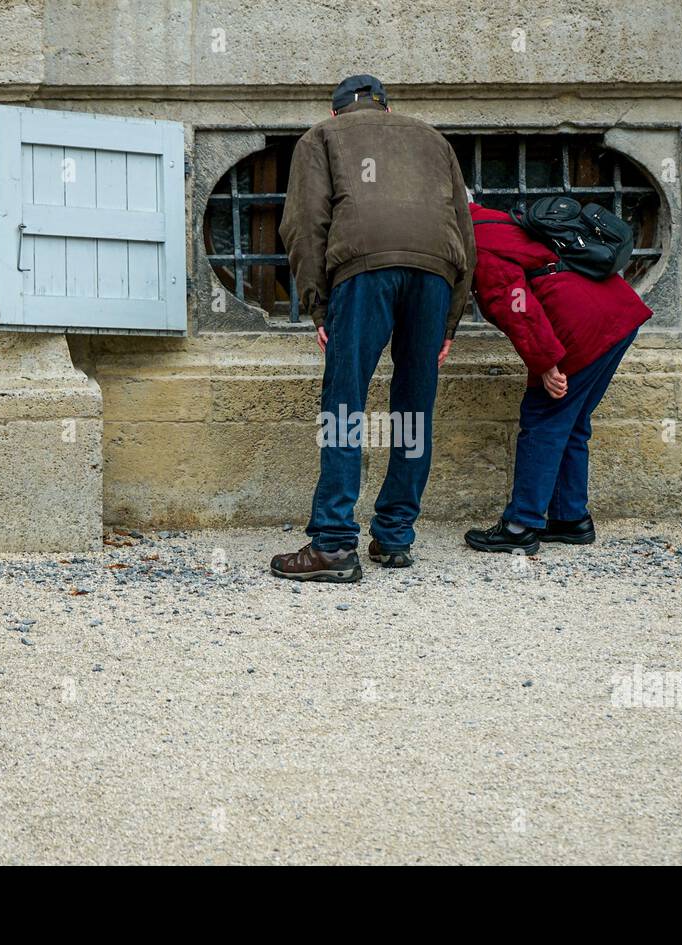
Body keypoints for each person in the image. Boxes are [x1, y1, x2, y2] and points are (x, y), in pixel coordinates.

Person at [270, 75, 475, 583]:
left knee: (344, 404)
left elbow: (304, 224)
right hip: (435, 271)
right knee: (413, 404)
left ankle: (335, 545)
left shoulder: (321, 136)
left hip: (364, 267)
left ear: (337, 111)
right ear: (385, 108)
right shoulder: (432, 138)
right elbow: (464, 229)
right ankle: (396, 536)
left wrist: (319, 307)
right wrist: (452, 318)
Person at [463, 193, 652, 554]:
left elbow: (515, 306)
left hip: (581, 325)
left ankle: (520, 525)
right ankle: (570, 518)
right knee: (573, 422)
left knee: (543, 419)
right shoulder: (497, 220)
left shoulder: (478, 243)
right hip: (616, 311)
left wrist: (547, 364)